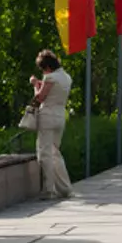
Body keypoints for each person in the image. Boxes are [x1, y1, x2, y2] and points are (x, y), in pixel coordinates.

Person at [30, 50, 73, 199]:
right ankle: (65, 187)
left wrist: (35, 84)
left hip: (47, 117)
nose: (43, 71)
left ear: (47, 66)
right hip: (60, 116)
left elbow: (40, 98)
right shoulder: (66, 77)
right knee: (56, 152)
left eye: (42, 68)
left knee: (45, 153)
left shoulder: (49, 77)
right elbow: (53, 92)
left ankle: (49, 190)